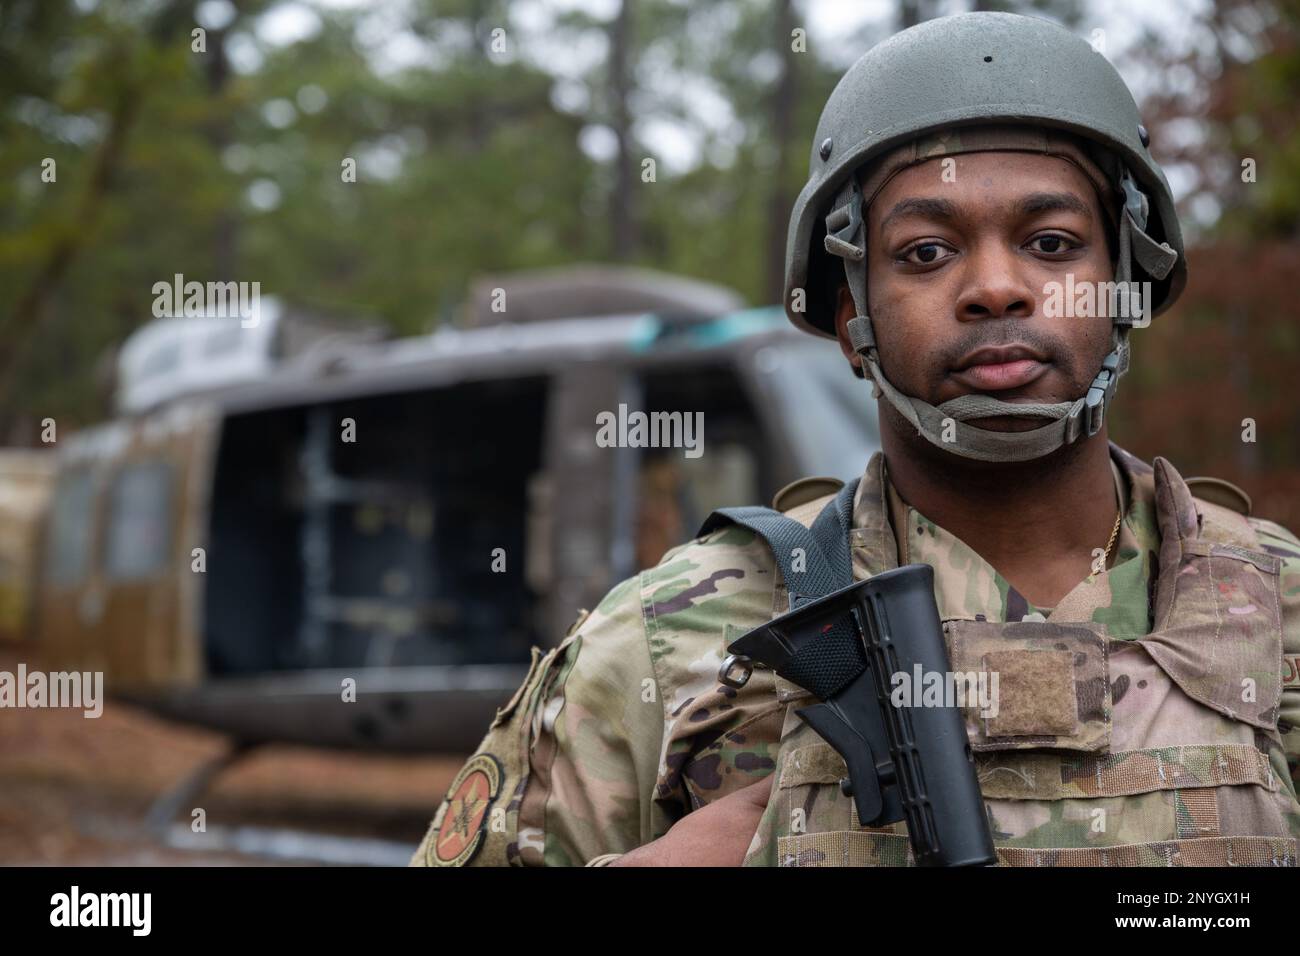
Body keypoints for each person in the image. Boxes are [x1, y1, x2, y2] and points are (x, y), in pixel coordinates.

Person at [412, 11, 1300, 868]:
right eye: (925, 253)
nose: (996, 287)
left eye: (1052, 242)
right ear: (851, 319)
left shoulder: (1282, 617)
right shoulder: (678, 641)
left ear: (1125, 291)